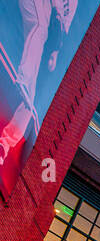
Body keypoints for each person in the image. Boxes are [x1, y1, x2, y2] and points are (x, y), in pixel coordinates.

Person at [0, 0, 79, 168]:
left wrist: (55, 53)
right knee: (39, 27)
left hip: (46, 17)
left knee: (31, 101)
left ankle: (4, 146)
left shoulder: (72, 4)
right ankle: (24, 78)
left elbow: (62, 28)